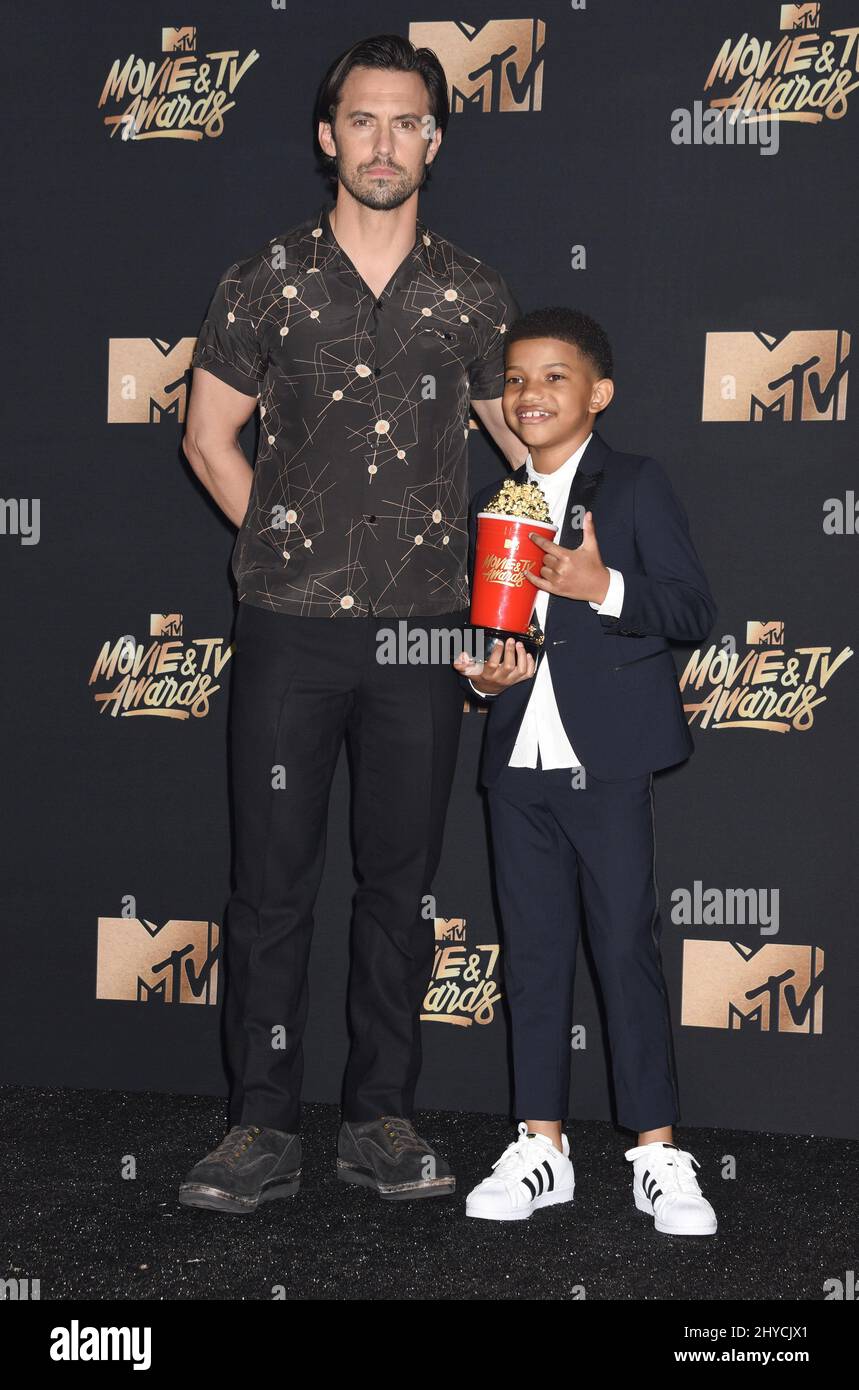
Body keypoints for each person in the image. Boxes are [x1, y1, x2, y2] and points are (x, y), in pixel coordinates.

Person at [178, 34, 525, 1212]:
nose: (384, 143)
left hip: (424, 637)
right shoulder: (263, 280)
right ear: (329, 136)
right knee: (270, 887)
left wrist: (513, 598)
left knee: (401, 888)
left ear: (434, 139)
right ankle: (258, 1124)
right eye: (363, 120)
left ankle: (380, 1117)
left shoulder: (473, 294)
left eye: (406, 122)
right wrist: (282, 542)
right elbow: (207, 438)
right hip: (289, 627)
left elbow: (525, 458)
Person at [453, 307, 719, 1235]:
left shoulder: (635, 483)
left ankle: (656, 1152)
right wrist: (483, 678)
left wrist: (599, 586)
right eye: (515, 379)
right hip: (516, 760)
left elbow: (691, 610)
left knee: (621, 949)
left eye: (553, 376)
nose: (529, 393)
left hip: (604, 759)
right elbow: (493, 635)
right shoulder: (494, 503)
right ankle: (541, 1146)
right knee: (530, 957)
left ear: (598, 393)